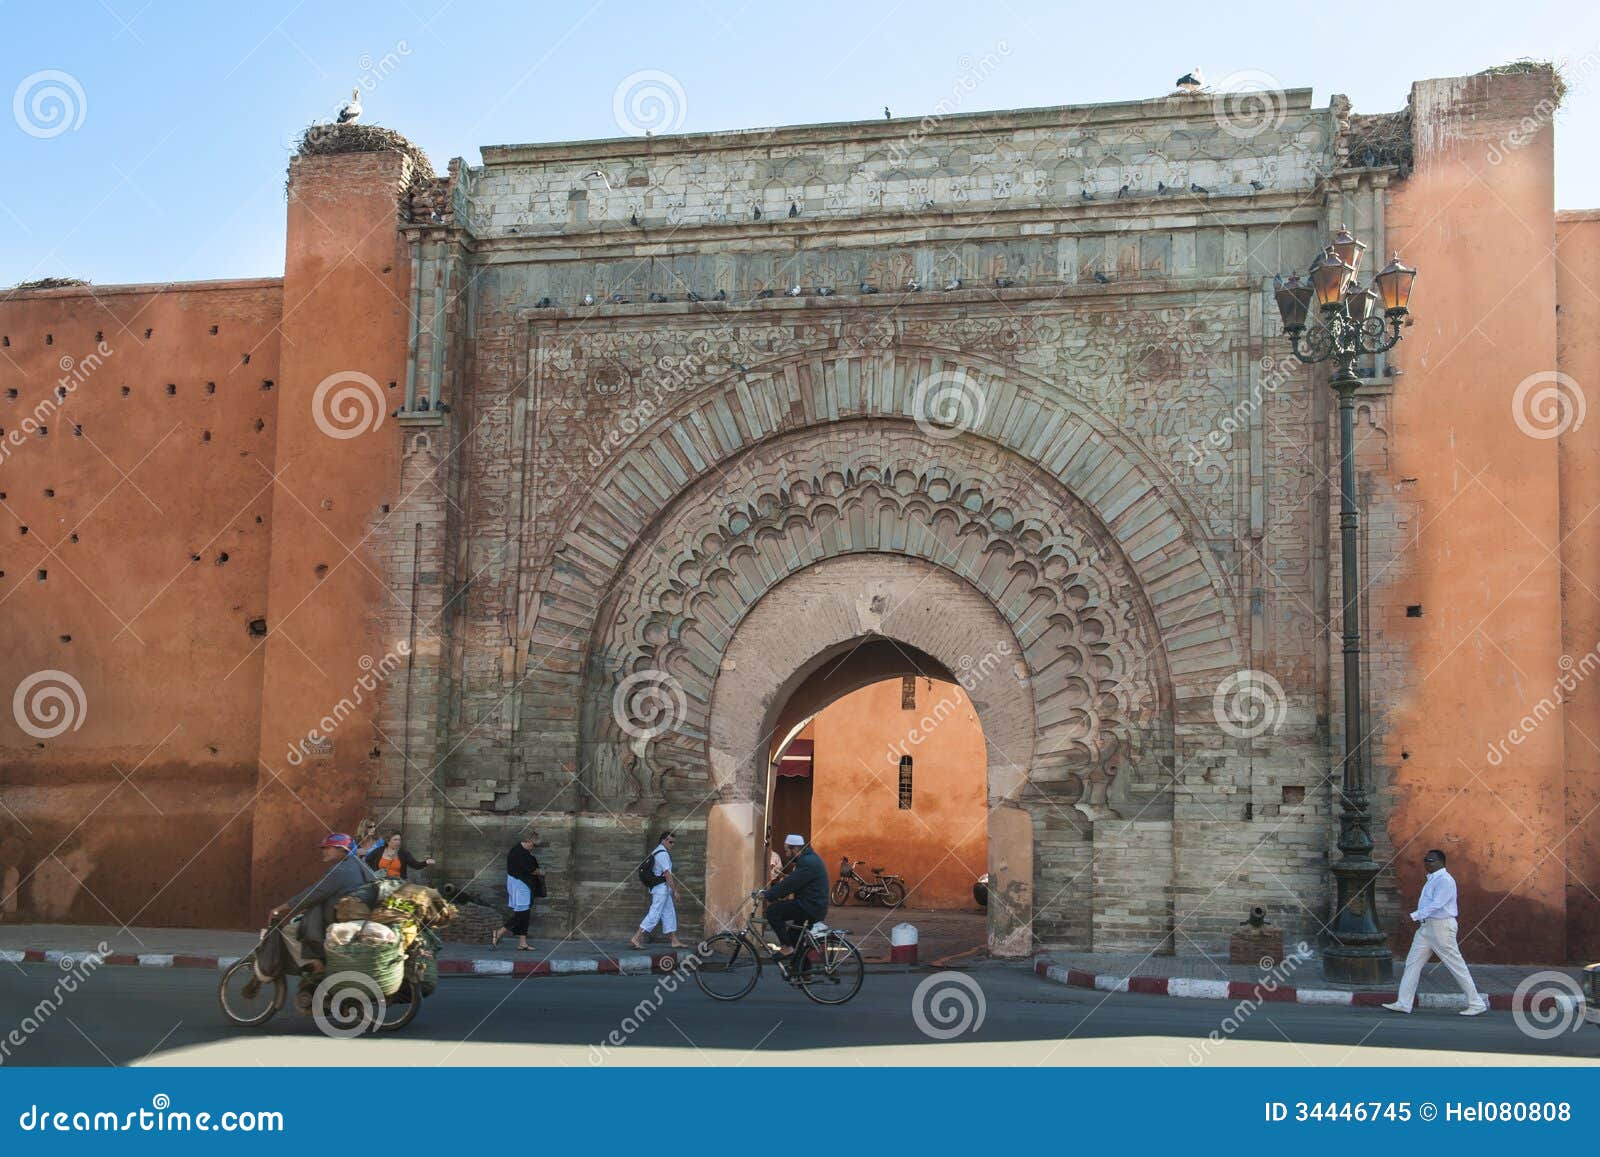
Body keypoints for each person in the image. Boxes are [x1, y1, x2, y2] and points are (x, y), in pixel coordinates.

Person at [1383, 849, 1488, 1016]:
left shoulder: (1445, 880)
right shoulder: (1432, 880)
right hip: (1426, 928)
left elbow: (1437, 904)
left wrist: (1414, 916)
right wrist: (1419, 918)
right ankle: (1403, 1003)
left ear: (1441, 862)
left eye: (1430, 860)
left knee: (1456, 965)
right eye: (1425, 860)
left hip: (1441, 927)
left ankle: (1476, 1003)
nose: (1426, 863)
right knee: (1412, 963)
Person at [268, 833, 380, 969]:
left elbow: (313, 893)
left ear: (342, 849)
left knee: (288, 931)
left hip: (334, 918)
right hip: (349, 916)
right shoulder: (357, 864)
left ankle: (315, 965)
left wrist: (281, 908)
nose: (324, 851)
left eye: (328, 848)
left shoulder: (340, 870)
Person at [761, 834, 829, 971]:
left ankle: (786, 948)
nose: (786, 854)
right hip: (812, 905)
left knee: (772, 911)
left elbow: (791, 884)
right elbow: (793, 882)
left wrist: (770, 895)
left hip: (810, 906)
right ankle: (805, 972)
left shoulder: (807, 862)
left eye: (787, 850)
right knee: (794, 937)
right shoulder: (808, 859)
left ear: (795, 849)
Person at [630, 831, 686, 950]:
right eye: (670, 842)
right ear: (663, 840)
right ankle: (636, 937)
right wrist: (675, 891)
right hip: (661, 889)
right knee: (655, 913)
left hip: (662, 888)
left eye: (673, 843)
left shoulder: (659, 851)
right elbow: (667, 874)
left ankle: (674, 941)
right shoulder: (662, 854)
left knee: (669, 913)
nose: (672, 845)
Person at [493, 832, 544, 951]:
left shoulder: (523, 851)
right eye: (534, 845)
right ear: (529, 841)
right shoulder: (518, 853)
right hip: (519, 885)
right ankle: (498, 933)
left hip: (521, 885)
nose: (534, 848)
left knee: (525, 914)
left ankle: (522, 943)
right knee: (521, 914)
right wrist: (541, 872)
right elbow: (531, 870)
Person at [364, 832, 436, 880]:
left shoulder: (404, 853)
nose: (398, 842)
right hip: (382, 882)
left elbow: (415, 865)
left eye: (399, 840)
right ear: (388, 841)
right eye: (395, 839)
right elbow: (368, 860)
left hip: (398, 883)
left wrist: (426, 862)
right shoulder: (379, 850)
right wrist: (375, 871)